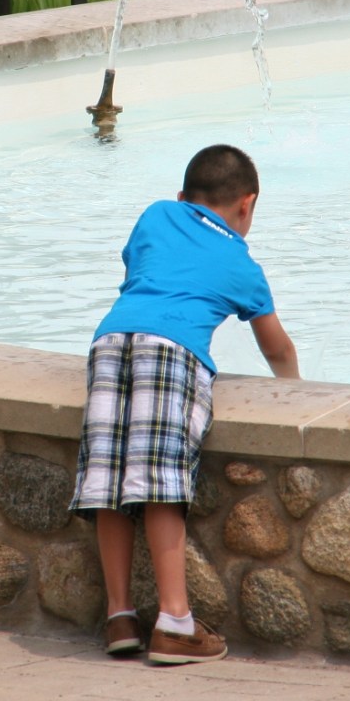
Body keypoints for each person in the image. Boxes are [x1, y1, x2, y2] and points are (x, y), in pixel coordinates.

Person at [70, 143, 299, 666]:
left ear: (182, 197)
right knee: (159, 484)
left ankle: (120, 616)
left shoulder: (155, 215)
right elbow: (276, 348)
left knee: (109, 482)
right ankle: (175, 621)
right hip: (171, 354)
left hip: (110, 342)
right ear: (248, 205)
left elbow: (140, 275)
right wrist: (297, 389)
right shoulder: (242, 265)